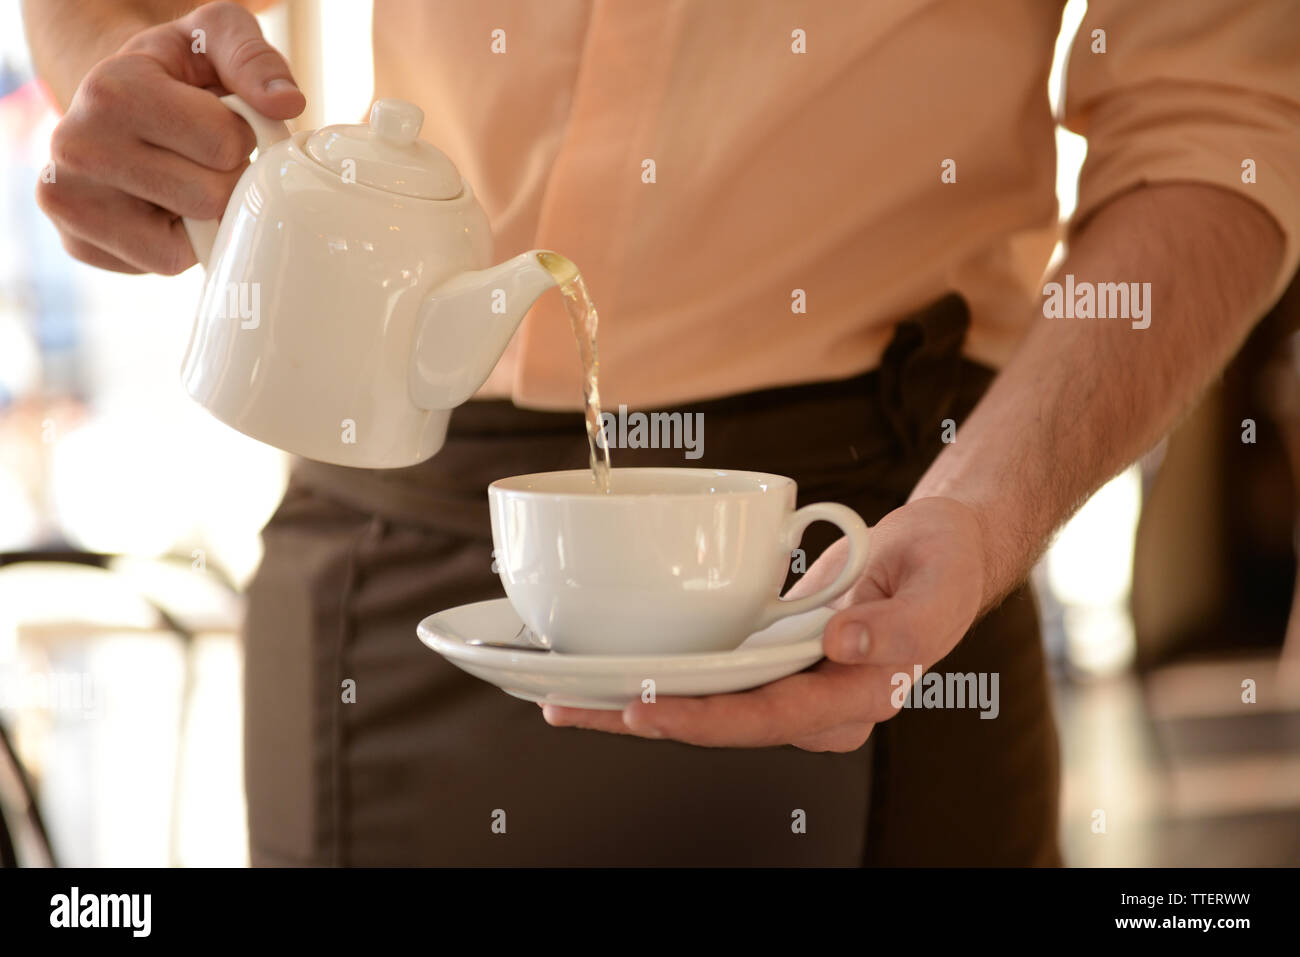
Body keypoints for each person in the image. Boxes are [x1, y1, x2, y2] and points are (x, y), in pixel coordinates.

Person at [23, 0, 1299, 865]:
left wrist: (980, 513)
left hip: (888, 557)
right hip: (395, 523)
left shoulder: (917, 551)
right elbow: (134, 30)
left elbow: (1217, 120)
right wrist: (139, 91)